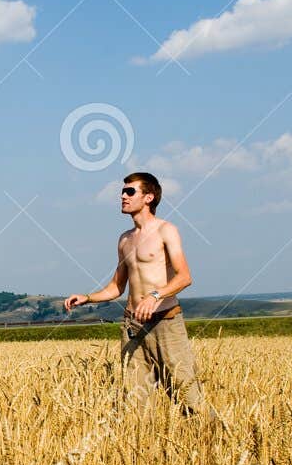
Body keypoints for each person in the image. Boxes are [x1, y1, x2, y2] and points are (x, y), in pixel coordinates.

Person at [64, 171, 207, 414]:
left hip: (165, 321)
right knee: (134, 400)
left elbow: (184, 277)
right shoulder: (125, 240)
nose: (123, 196)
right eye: (122, 191)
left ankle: (211, 432)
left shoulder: (166, 230)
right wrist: (87, 298)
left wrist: (155, 296)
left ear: (149, 197)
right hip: (133, 325)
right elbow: (116, 287)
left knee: (186, 393)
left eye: (130, 191)